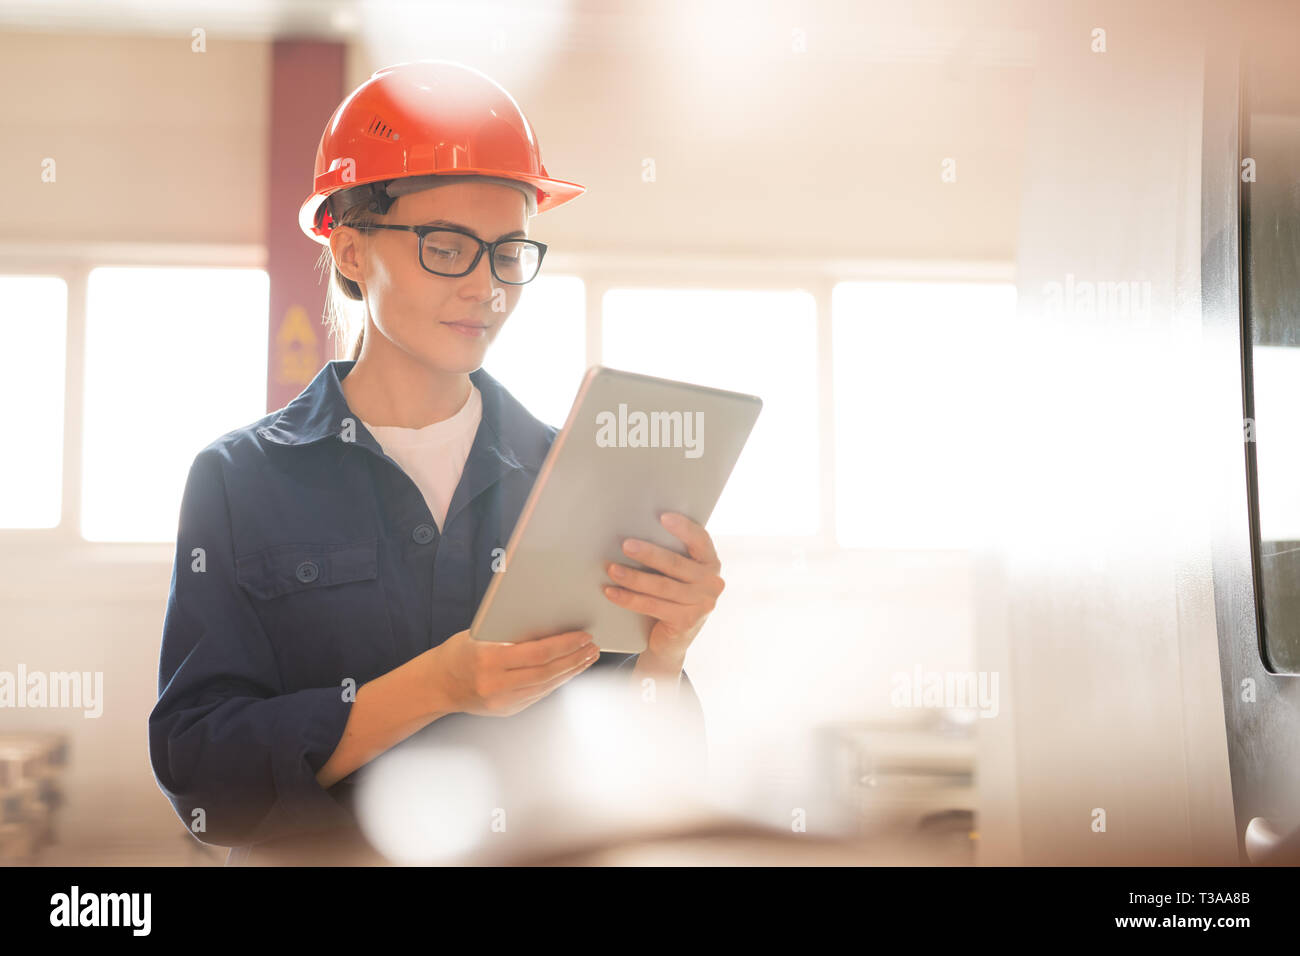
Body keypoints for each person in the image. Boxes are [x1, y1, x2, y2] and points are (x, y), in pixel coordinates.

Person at [147, 60, 723, 866]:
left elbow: (647, 785)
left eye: (509, 252)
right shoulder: (241, 480)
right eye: (447, 247)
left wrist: (668, 649)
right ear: (351, 251)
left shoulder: (572, 477)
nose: (488, 287)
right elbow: (205, 780)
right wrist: (436, 688)